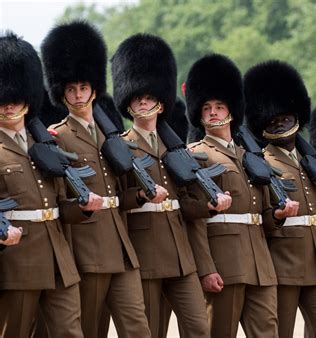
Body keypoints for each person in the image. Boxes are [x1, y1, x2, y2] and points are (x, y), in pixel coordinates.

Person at [41, 21, 152, 338]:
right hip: (87, 251)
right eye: (71, 89)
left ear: (93, 88)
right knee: (90, 329)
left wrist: (141, 197)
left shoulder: (112, 133)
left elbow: (120, 193)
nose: (78, 95)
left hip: (121, 247)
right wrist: (84, 207)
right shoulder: (57, 137)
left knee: (137, 327)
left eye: (83, 88)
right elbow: (62, 203)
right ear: (62, 93)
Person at [184, 53, 298, 338]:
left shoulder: (250, 157)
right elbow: (194, 219)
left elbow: (263, 218)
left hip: (260, 264)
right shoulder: (196, 154)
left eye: (219, 106)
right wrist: (206, 269)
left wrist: (279, 216)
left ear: (232, 110)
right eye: (207, 107)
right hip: (224, 264)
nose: (212, 112)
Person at [0, 32, 102, 338]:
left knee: (71, 332)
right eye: (3, 101)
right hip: (17, 262)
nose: (8, 107)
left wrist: (83, 209)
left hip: (59, 259)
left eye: (15, 100)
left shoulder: (45, 145)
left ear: (28, 102)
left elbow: (59, 205)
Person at [111, 33, 211, 338]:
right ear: (128, 104)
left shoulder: (175, 149)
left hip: (181, 254)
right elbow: (118, 199)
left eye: (150, 96)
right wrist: (141, 196)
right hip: (146, 252)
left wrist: (206, 206)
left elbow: (185, 200)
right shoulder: (120, 146)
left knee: (198, 327)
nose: (144, 101)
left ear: (161, 103)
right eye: (137, 96)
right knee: (151, 330)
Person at [243, 60, 316, 338]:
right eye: (272, 120)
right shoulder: (259, 163)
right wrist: (276, 216)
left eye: (285, 116)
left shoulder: (312, 163)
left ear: (296, 115)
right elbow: (258, 218)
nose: (279, 122)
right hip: (282, 265)